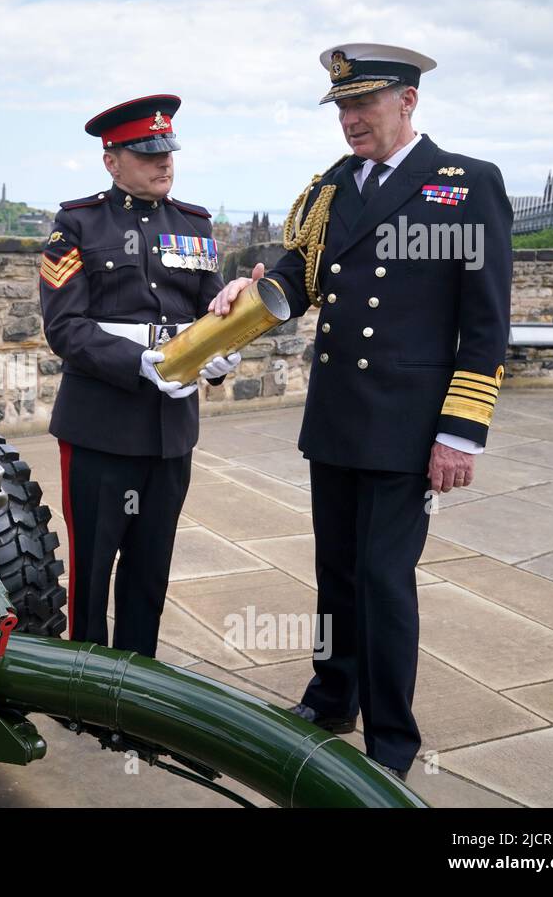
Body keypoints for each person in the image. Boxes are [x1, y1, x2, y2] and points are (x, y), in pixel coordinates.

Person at [210, 44, 513, 780]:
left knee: (383, 578)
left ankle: (390, 745)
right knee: (337, 571)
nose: (350, 120)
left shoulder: (465, 185)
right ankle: (330, 695)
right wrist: (238, 298)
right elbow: (297, 276)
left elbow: (487, 319)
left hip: (408, 423)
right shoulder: (331, 188)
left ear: (407, 102)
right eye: (342, 107)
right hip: (339, 413)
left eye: (363, 105)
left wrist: (460, 432)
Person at [39, 94, 240, 658]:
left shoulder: (195, 225)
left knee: (151, 567)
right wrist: (140, 362)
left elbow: (211, 315)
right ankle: (84, 681)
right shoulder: (76, 224)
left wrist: (221, 356)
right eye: (147, 152)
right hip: (102, 428)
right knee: (92, 568)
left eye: (167, 151)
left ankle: (136, 679)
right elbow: (65, 327)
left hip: (171, 431)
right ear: (112, 161)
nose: (164, 163)